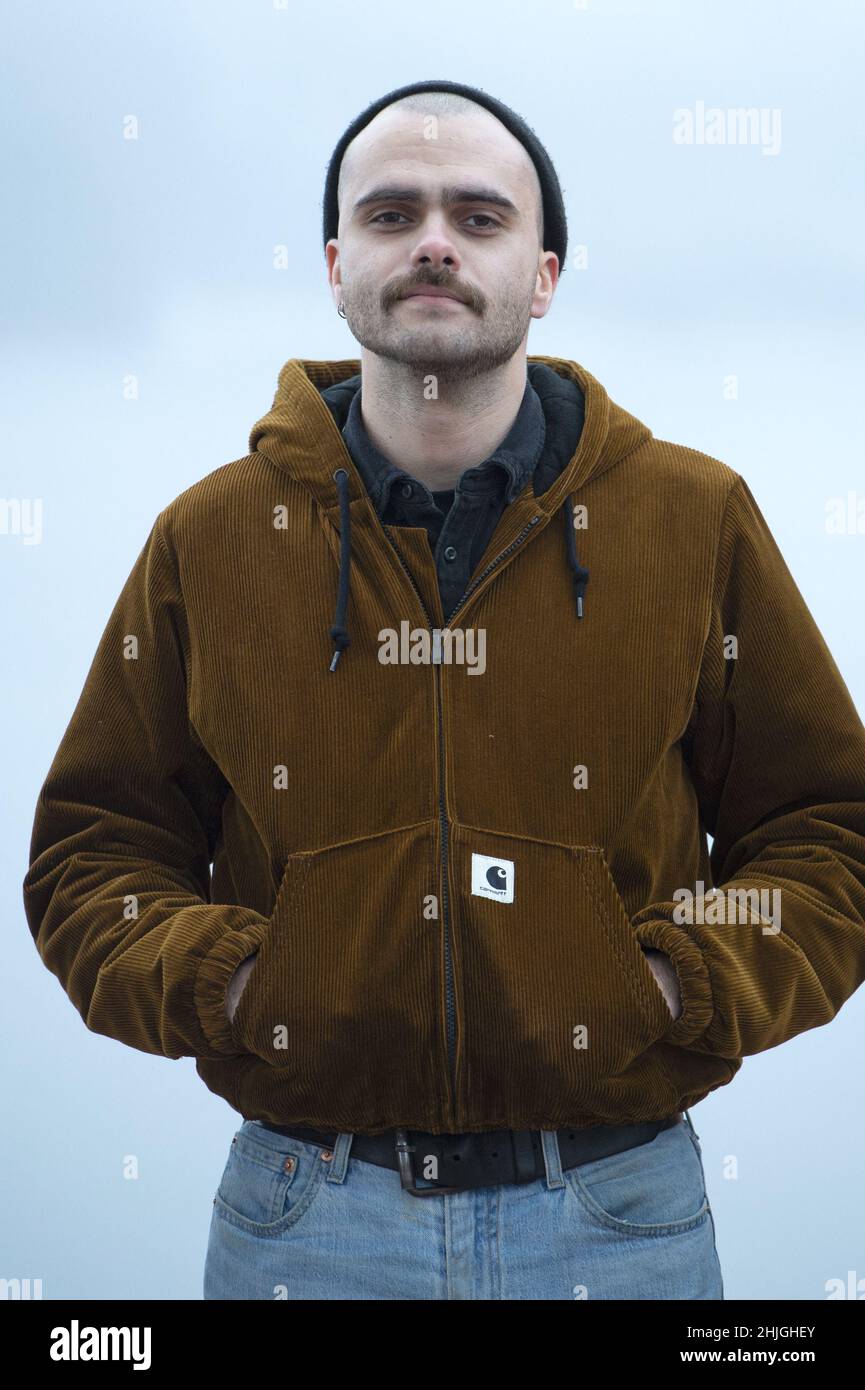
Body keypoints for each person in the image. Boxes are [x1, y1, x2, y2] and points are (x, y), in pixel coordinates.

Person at [23, 79, 865, 1302]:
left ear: (542, 274)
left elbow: (826, 835)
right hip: (305, 1214)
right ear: (334, 265)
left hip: (617, 1209)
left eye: (478, 216)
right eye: (391, 213)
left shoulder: (693, 518)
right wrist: (237, 982)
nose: (431, 241)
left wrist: (674, 981)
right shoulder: (209, 538)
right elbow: (93, 854)